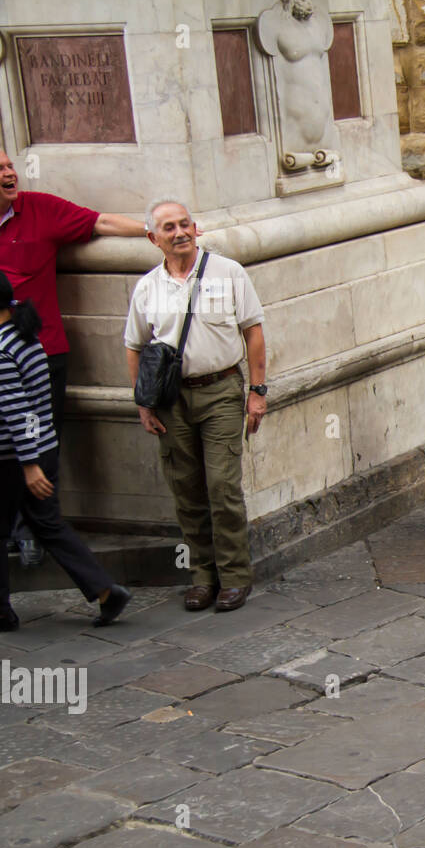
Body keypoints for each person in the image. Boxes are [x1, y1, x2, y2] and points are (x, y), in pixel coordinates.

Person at [0, 146, 147, 564]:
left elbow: (102, 221)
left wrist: (154, 229)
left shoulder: (40, 209)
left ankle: (35, 530)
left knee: (39, 441)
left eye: (10, 165)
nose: (10, 172)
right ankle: (1, 531)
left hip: (41, 355)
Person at [125, 199, 267, 612]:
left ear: (196, 228)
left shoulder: (228, 272)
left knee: (222, 486)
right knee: (186, 489)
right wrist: (143, 402)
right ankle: (202, 577)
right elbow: (134, 345)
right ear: (154, 238)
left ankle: (236, 577)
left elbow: (253, 332)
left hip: (221, 390)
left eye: (184, 224)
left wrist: (257, 391)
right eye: (168, 227)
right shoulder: (148, 286)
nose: (179, 232)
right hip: (171, 398)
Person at [0, 268, 131, 631]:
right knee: (47, 524)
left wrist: (28, 465)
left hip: (8, 458)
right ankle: (104, 591)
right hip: (41, 446)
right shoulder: (25, 335)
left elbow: (16, 410)